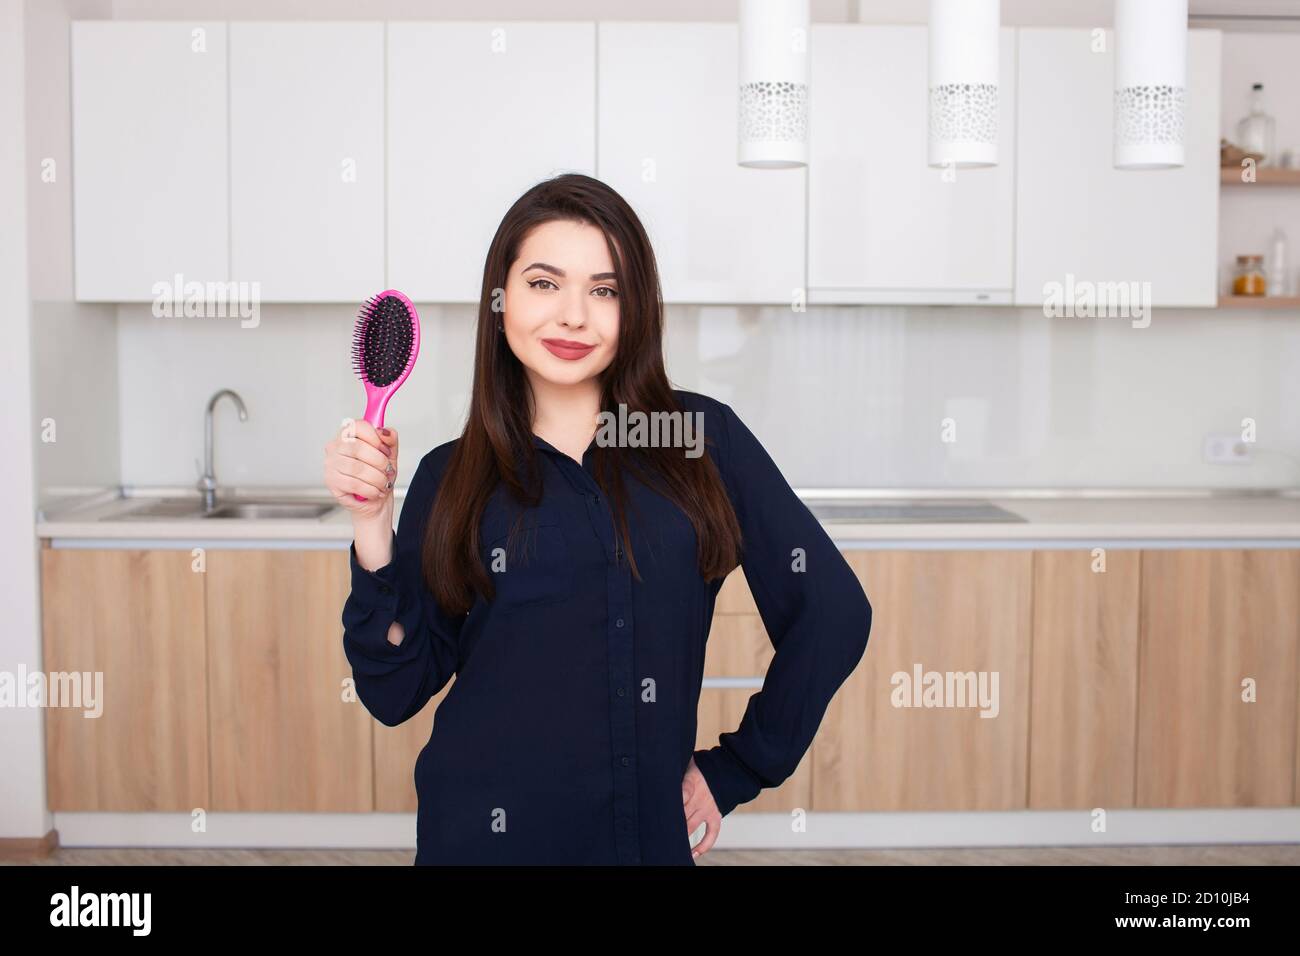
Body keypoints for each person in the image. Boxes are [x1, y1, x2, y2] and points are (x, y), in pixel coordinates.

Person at [323, 173, 872, 865]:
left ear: (635, 308)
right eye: (544, 284)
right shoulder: (450, 475)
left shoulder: (699, 442)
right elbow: (395, 690)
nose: (574, 316)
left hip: (639, 844)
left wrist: (738, 767)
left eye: (604, 290)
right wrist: (373, 524)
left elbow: (834, 612)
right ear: (501, 301)